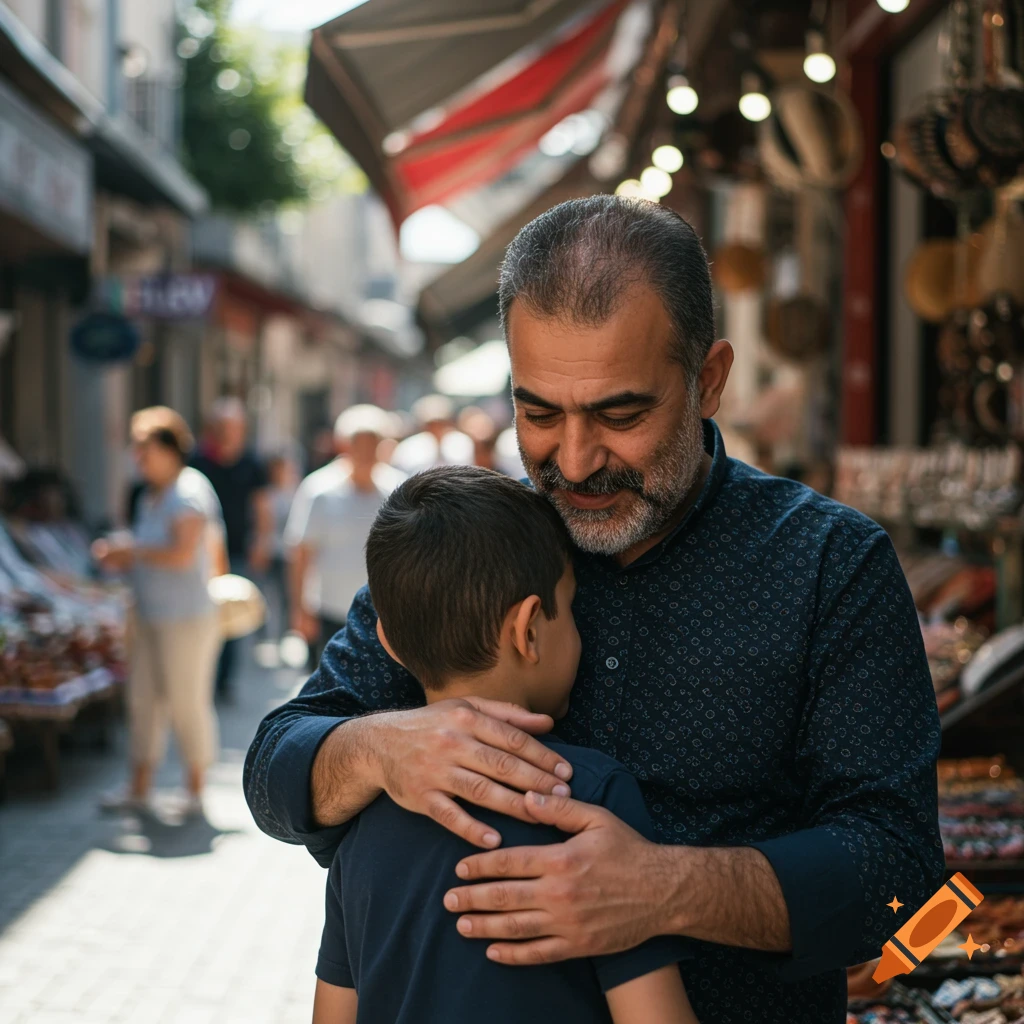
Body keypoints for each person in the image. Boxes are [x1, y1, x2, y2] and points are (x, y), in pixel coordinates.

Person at [245, 197, 943, 1024]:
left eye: (620, 414)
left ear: (709, 380)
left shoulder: (831, 565)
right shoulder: (466, 544)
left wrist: (668, 891)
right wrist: (372, 749)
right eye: (539, 412)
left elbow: (912, 892)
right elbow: (271, 776)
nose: (574, 461)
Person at [312, 466, 697, 1024]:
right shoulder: (589, 796)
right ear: (529, 630)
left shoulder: (359, 814)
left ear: (389, 645)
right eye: (571, 607)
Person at [95, 407, 226, 815]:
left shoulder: (189, 491)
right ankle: (139, 786)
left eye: (145, 448)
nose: (138, 457)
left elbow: (183, 554)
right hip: (150, 614)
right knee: (144, 701)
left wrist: (129, 551)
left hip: (186, 618)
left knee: (187, 701)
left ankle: (195, 788)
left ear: (170, 449)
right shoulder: (150, 494)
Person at [284, 405, 403, 663]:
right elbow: (301, 552)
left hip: (384, 615)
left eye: (373, 445)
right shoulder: (319, 490)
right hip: (330, 610)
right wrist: (299, 609)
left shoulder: (398, 489)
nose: (366, 453)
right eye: (359, 445)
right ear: (344, 446)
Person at [192, 397, 273, 700]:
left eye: (234, 427)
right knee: (203, 614)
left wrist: (262, 541)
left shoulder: (252, 463)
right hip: (200, 552)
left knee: (230, 617)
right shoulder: (198, 459)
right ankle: (205, 675)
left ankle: (223, 680)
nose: (228, 433)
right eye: (223, 427)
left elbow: (262, 507)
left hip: (238, 550)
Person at [389, 393, 474, 474]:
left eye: (441, 423)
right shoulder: (408, 448)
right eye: (432, 424)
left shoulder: (463, 443)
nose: (437, 428)